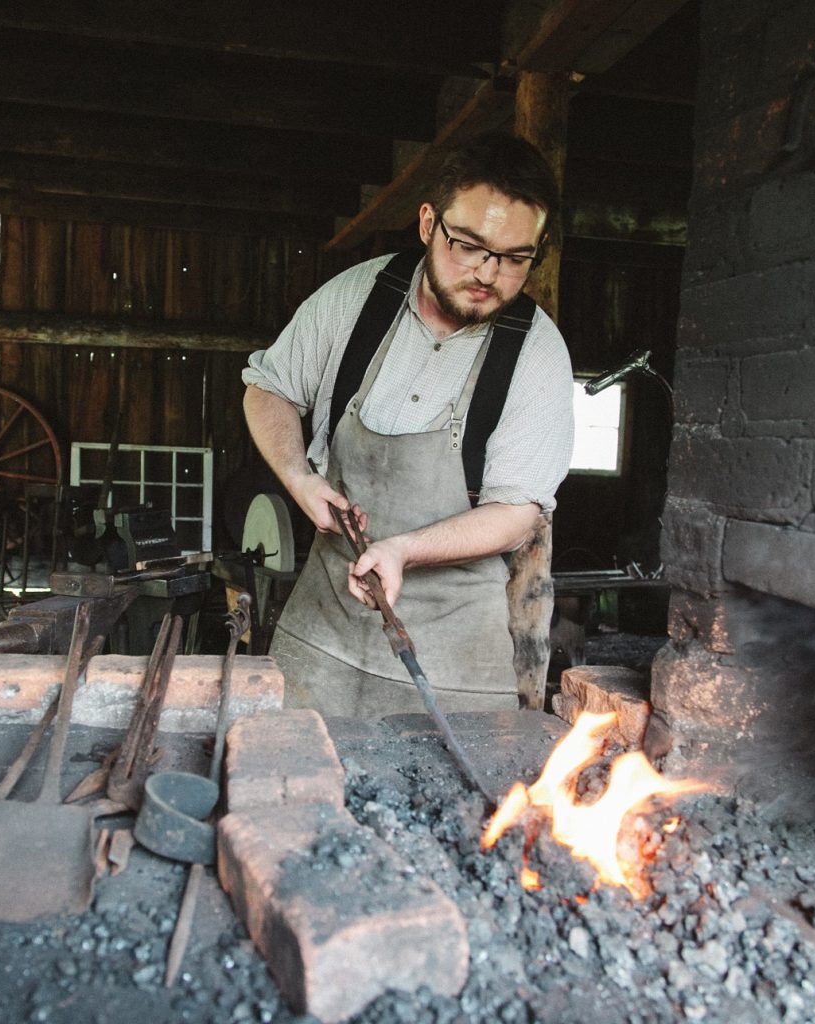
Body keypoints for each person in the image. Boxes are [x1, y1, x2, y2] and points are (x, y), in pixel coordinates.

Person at [241, 132, 575, 717]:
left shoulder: (537, 354)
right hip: (321, 637)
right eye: (468, 245)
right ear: (428, 223)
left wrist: (404, 550)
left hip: (452, 666)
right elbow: (267, 388)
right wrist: (299, 478)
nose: (487, 273)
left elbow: (519, 512)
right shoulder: (357, 299)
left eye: (515, 258)